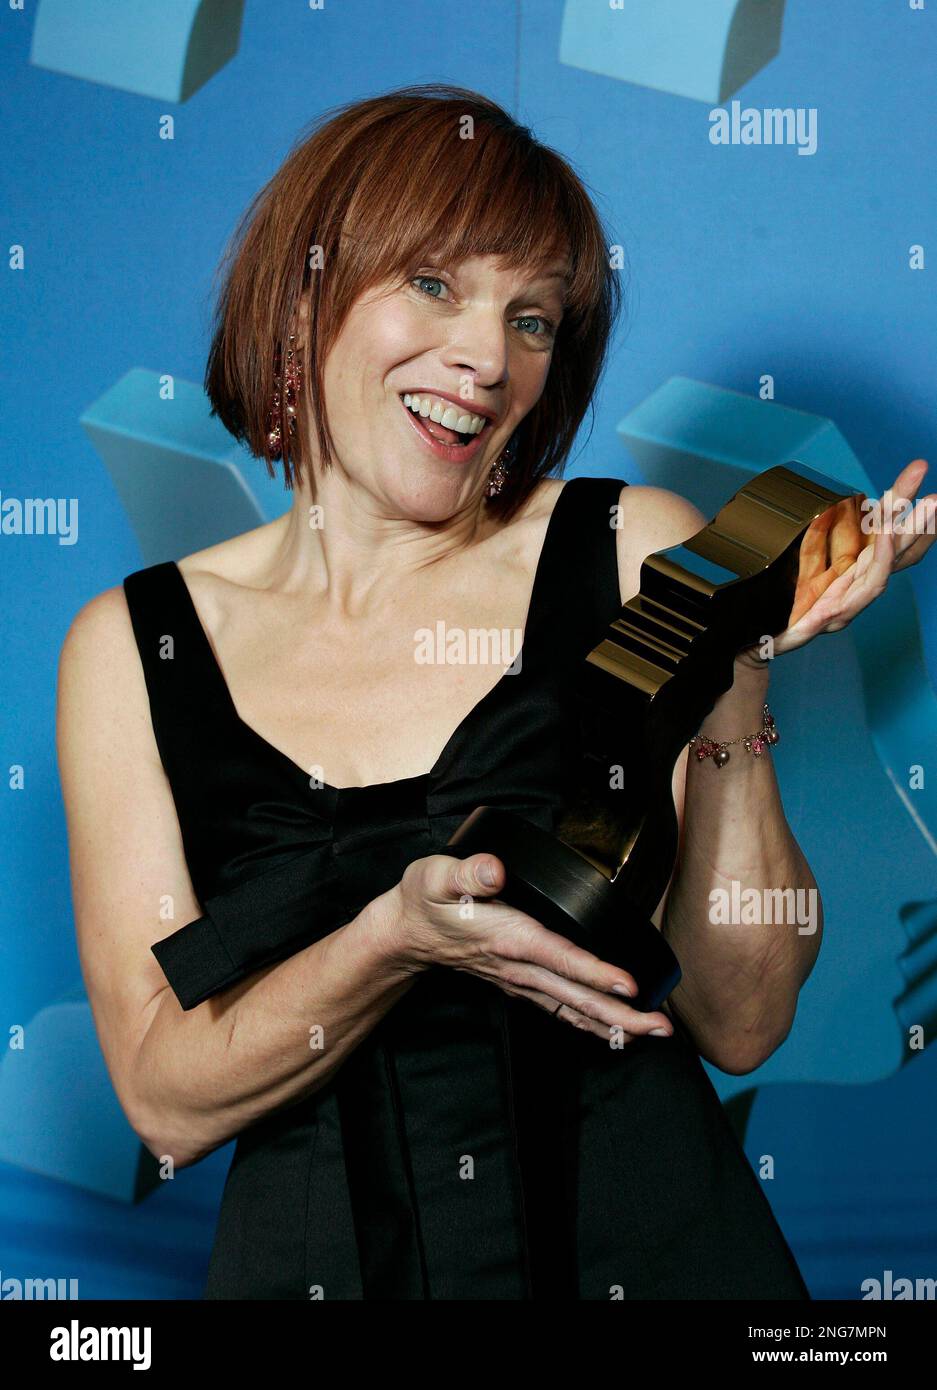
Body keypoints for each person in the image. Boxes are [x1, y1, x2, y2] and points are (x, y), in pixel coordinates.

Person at [55, 84, 936, 1300]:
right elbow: (162, 1094)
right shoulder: (132, 646)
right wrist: (391, 938)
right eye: (433, 285)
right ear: (304, 293)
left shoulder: (637, 550)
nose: (485, 358)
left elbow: (742, 1019)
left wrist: (736, 665)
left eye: (532, 319)